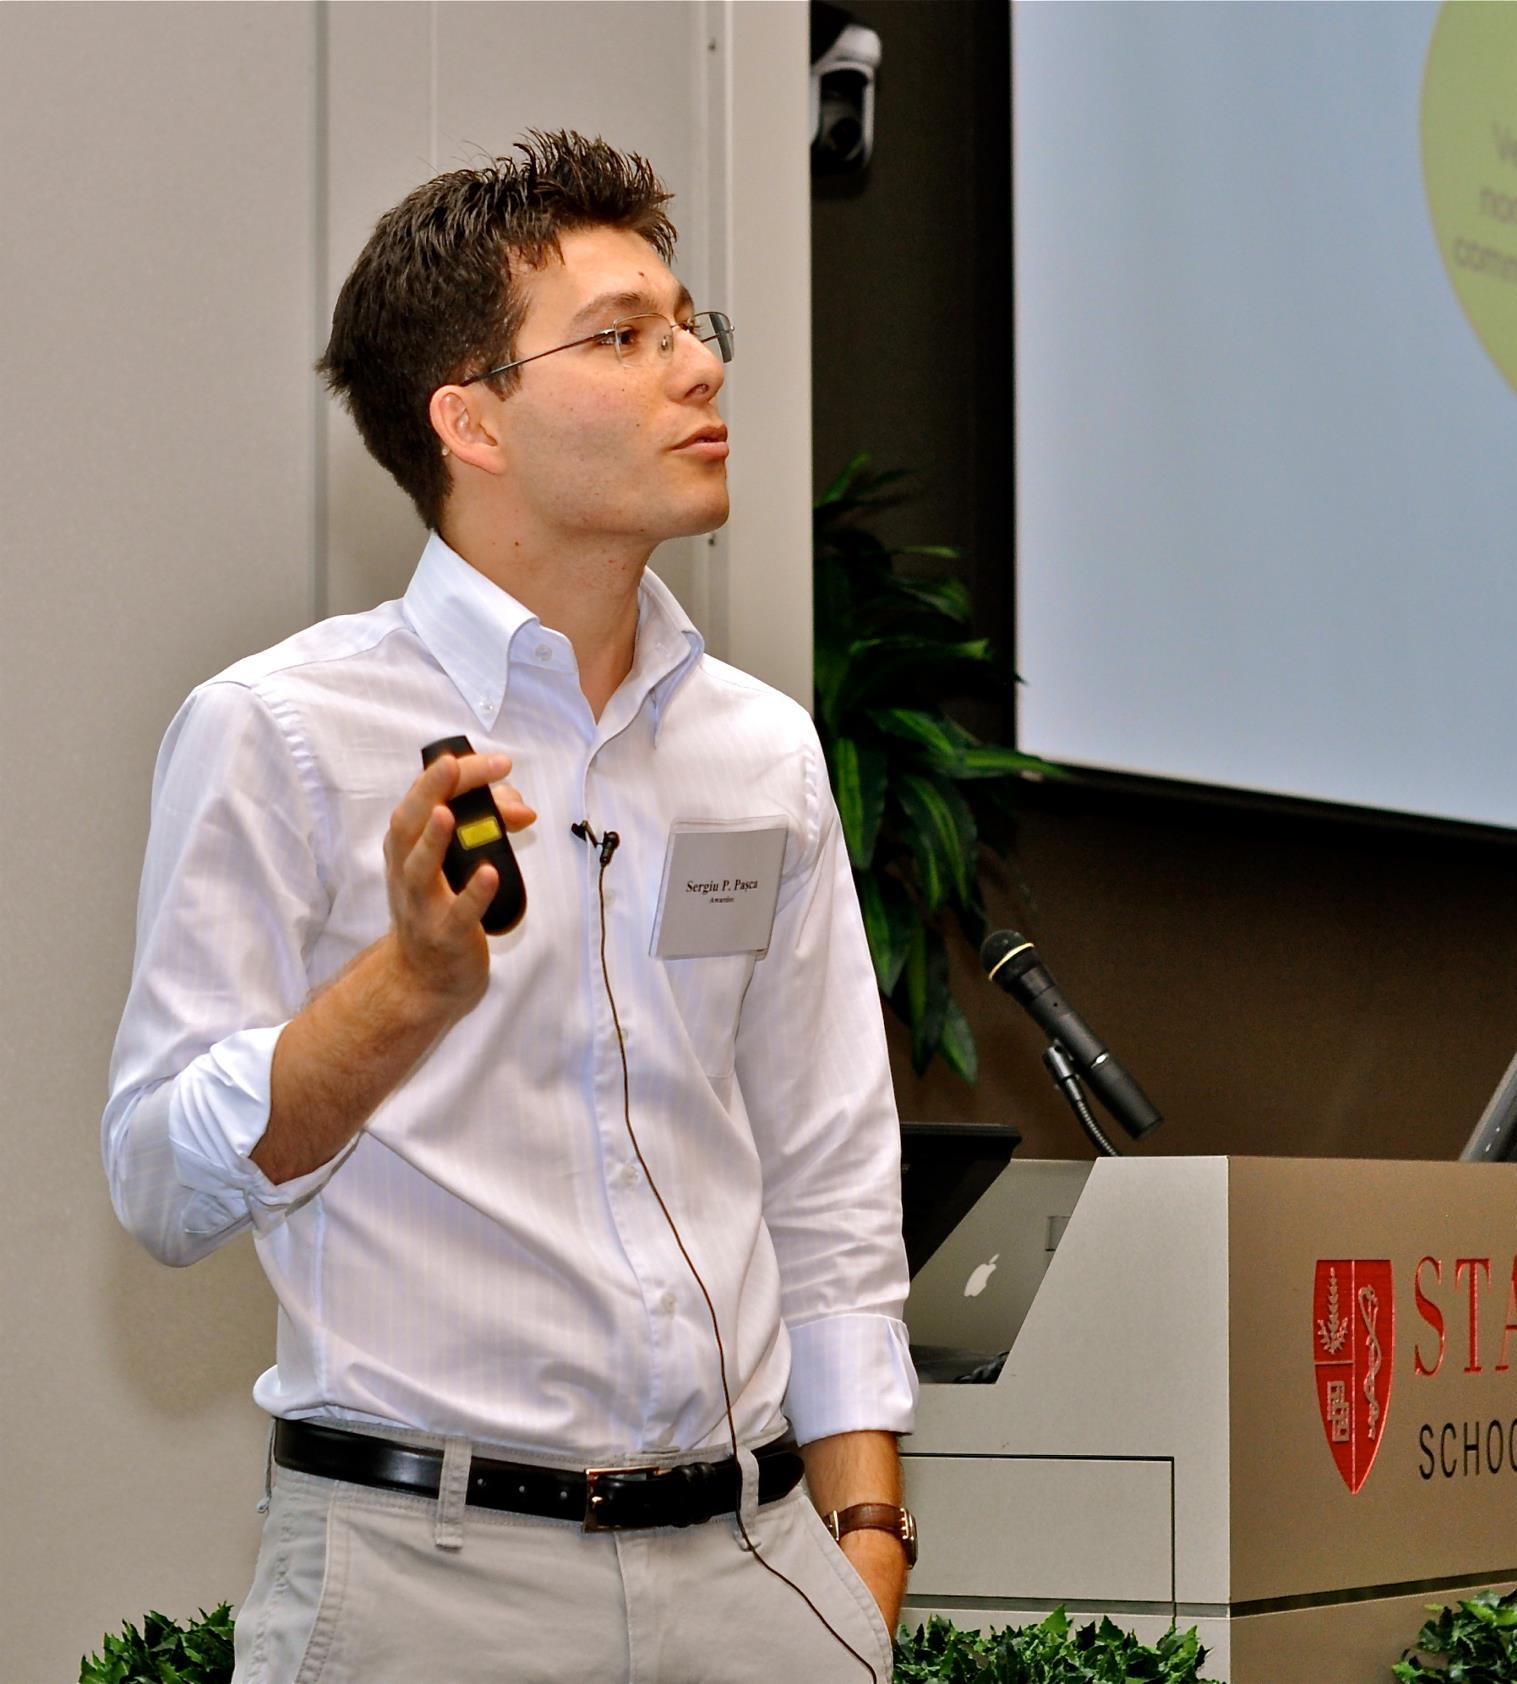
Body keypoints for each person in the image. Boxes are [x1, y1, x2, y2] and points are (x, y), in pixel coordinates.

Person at [103, 131, 915, 1683]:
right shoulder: (276, 731)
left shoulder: (759, 746)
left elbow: (825, 1177)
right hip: (430, 1580)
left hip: (760, 1578)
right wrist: (404, 984)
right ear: (467, 419)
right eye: (623, 336)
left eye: (691, 324)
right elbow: (155, 1179)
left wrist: (865, 1543)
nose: (695, 368)